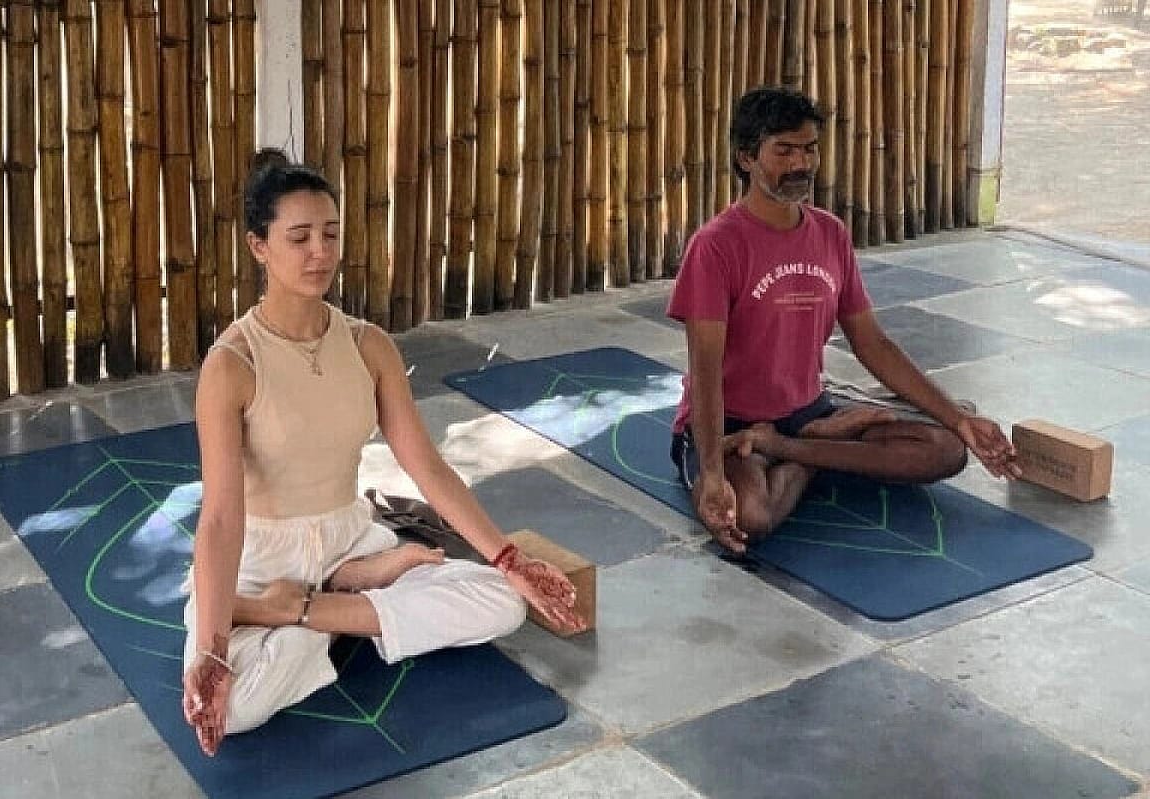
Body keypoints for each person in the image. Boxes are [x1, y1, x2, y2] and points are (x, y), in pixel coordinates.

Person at [182, 148, 584, 757]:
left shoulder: (368, 345)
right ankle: (291, 605)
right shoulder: (231, 364)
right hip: (262, 557)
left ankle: (307, 609)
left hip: (349, 539)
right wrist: (213, 646)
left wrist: (510, 560)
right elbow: (219, 517)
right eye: (299, 238)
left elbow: (425, 464)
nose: (321, 252)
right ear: (258, 247)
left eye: (331, 234)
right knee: (232, 708)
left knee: (502, 602)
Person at [668, 87, 1020, 556]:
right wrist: (712, 470)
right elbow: (706, 372)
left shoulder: (830, 233)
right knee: (749, 516)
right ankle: (817, 451)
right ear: (747, 158)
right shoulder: (715, 247)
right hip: (732, 422)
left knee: (947, 449)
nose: (801, 164)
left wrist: (959, 419)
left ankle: (792, 448)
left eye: (810, 149)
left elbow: (872, 343)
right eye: (785, 151)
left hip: (808, 409)